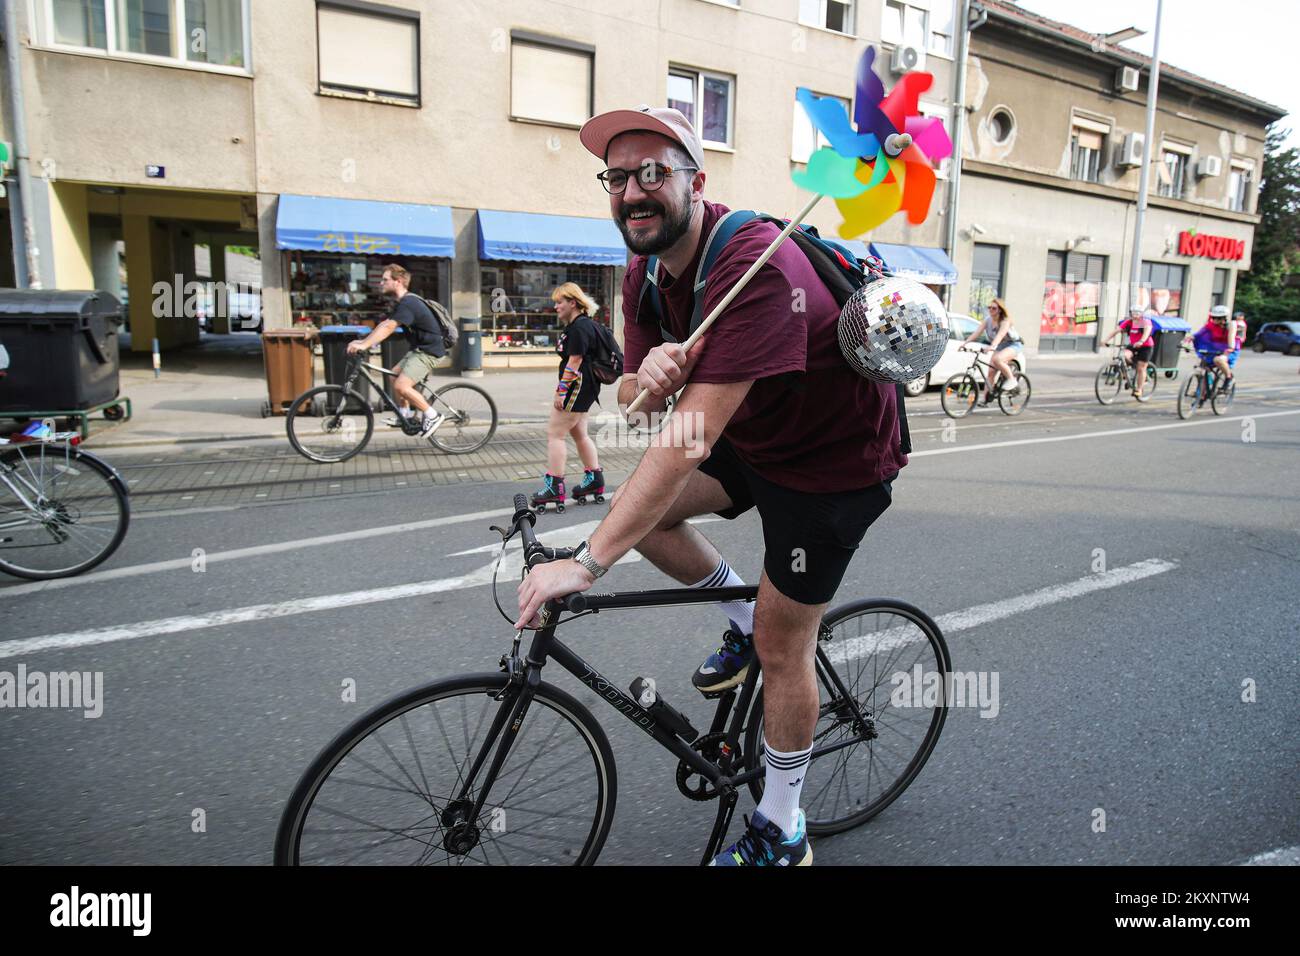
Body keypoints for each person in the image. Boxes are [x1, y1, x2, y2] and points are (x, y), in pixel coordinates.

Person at [512, 105, 905, 866]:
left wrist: (587, 561)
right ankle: (737, 616)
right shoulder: (643, 271)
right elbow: (630, 398)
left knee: (783, 643)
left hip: (833, 463)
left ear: (697, 179)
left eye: (654, 171)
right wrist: (649, 375)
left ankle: (783, 830)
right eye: (618, 176)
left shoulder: (756, 267)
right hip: (753, 437)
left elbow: (685, 441)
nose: (633, 192)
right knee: (652, 520)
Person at [345, 264, 445, 437]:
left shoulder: (409, 303)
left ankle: (432, 415)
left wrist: (363, 345)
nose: (381, 283)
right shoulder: (402, 302)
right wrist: (363, 341)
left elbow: (390, 327)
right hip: (419, 349)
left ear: (397, 281)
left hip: (429, 351)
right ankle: (404, 414)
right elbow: (385, 324)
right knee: (393, 375)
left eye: (385, 280)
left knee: (401, 385)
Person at [529, 283, 605, 509]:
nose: (555, 306)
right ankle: (594, 480)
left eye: (559, 302)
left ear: (573, 302)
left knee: (555, 434)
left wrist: (561, 392)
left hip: (577, 386)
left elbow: (575, 360)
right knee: (580, 434)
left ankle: (555, 486)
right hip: (584, 385)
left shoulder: (579, 327)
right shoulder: (581, 325)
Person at [960, 298, 1022, 404]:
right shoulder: (988, 320)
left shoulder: (1005, 321)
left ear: (1000, 310)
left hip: (1013, 345)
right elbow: (977, 332)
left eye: (994, 308)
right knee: (991, 373)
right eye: (989, 307)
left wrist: (992, 346)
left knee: (998, 359)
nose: (991, 310)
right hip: (1000, 346)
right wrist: (965, 343)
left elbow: (1000, 335)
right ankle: (985, 400)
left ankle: (1012, 380)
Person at [1103, 308, 1155, 397]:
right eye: (1133, 313)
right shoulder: (1129, 322)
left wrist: (1141, 341)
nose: (1134, 315)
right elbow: (1117, 330)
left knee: (1141, 367)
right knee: (1124, 356)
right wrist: (1105, 340)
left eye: (1137, 313)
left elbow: (1147, 331)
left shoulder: (1145, 322)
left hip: (1146, 346)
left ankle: (1139, 390)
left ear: (1141, 314)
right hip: (1133, 345)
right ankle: (1130, 376)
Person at [1188, 304, 1235, 382]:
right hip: (1213, 349)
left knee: (1217, 360)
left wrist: (1230, 348)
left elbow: (1232, 339)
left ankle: (1228, 377)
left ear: (1225, 318)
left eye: (1218, 318)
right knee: (1200, 366)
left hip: (1227, 350)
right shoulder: (1210, 325)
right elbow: (1200, 333)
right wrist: (1190, 338)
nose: (1215, 320)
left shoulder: (1230, 325)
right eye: (1213, 317)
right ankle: (1201, 391)